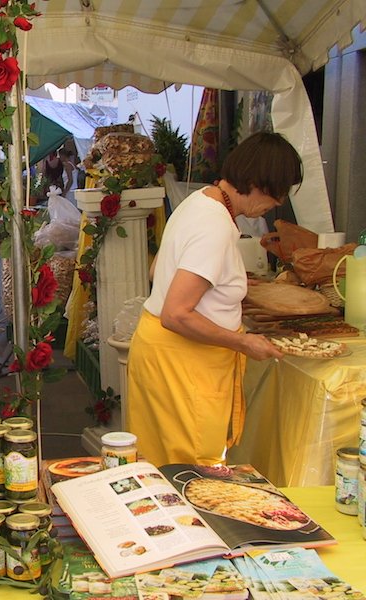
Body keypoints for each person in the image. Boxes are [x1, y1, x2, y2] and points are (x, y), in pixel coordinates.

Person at [127, 132, 301, 467]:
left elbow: (156, 271)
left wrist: (224, 285)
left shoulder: (200, 201)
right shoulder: (214, 225)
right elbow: (176, 314)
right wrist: (242, 342)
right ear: (255, 181)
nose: (278, 203)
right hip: (184, 364)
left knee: (162, 468)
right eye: (277, 192)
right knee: (193, 472)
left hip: (162, 355)